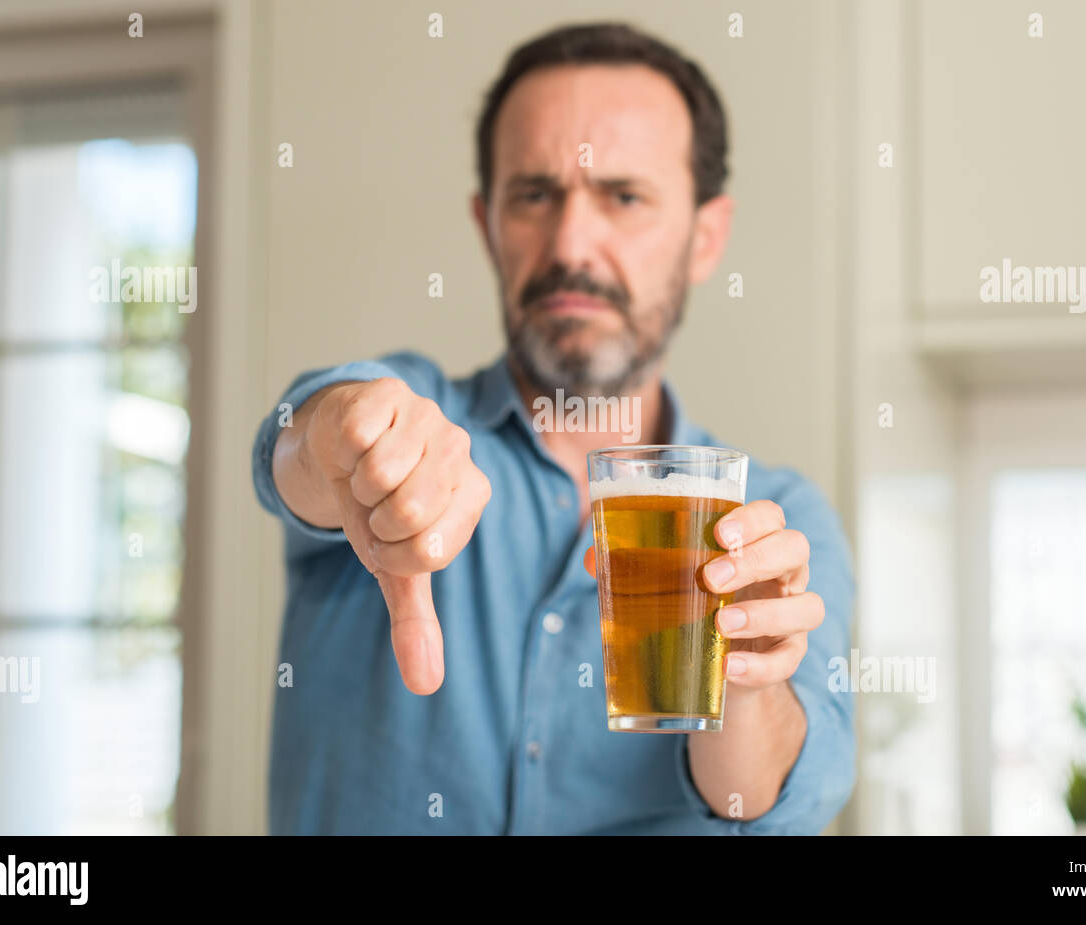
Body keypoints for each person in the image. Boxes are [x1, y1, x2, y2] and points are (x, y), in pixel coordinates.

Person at [251, 21, 855, 835]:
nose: (572, 243)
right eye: (535, 195)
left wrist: (745, 680)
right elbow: (300, 447)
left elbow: (764, 802)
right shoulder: (406, 424)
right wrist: (340, 436)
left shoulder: (777, 517)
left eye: (624, 197)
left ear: (706, 237)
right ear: (486, 222)